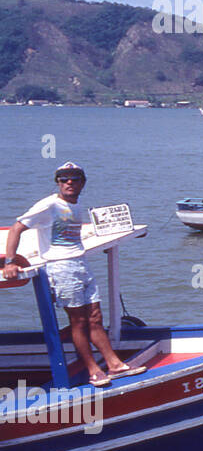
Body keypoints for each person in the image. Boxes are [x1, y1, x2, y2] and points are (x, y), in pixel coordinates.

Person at [1, 162, 146, 388]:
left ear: (82, 183)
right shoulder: (49, 204)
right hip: (61, 268)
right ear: (58, 182)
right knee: (78, 322)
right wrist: (11, 261)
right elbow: (17, 228)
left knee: (96, 318)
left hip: (81, 264)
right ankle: (93, 370)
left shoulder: (76, 206)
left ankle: (115, 364)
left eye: (75, 178)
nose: (69, 182)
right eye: (64, 178)